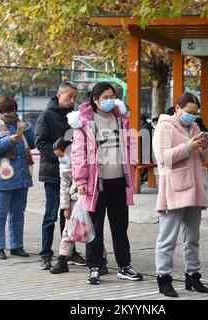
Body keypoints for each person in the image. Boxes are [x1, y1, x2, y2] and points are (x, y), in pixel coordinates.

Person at [70, 82, 143, 285]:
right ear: (95, 99)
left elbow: (130, 144)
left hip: (119, 181)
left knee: (120, 226)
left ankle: (124, 266)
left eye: (112, 96)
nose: (110, 100)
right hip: (96, 184)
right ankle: (94, 267)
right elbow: (78, 154)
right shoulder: (84, 122)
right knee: (95, 226)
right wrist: (81, 180)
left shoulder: (121, 119)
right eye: (105, 97)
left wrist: (133, 166)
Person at [153, 92, 208, 298]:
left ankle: (193, 275)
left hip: (195, 189)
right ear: (177, 108)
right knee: (167, 238)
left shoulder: (195, 127)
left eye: (195, 113)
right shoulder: (164, 127)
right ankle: (164, 277)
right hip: (174, 189)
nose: (191, 117)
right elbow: (162, 158)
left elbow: (205, 159)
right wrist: (189, 146)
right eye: (188, 112)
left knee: (193, 237)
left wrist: (204, 146)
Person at [35, 81, 85, 270]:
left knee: (69, 215)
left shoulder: (76, 117)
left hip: (72, 173)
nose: (72, 100)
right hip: (52, 173)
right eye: (69, 96)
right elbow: (40, 142)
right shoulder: (46, 115)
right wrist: (60, 156)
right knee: (51, 215)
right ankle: (45, 254)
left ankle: (69, 252)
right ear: (59, 94)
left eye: (74, 97)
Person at [0, 96, 35, 260]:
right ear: (0, 111)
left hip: (21, 177)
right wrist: (8, 141)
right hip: (2, 178)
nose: (11, 114)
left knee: (18, 213)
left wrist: (27, 129)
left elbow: (32, 144)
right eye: (7, 111)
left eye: (13, 110)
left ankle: (16, 246)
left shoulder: (19, 124)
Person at [49, 137, 109, 276]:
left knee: (93, 230)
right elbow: (63, 187)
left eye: (62, 155)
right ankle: (63, 260)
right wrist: (66, 207)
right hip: (74, 201)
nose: (61, 159)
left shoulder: (86, 160)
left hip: (90, 199)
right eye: (58, 157)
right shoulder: (64, 166)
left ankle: (101, 262)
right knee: (68, 231)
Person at [140, 115, 154, 183]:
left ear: (141, 121)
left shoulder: (144, 128)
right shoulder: (149, 126)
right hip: (151, 154)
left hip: (148, 156)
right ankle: (143, 177)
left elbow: (141, 143)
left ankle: (141, 178)